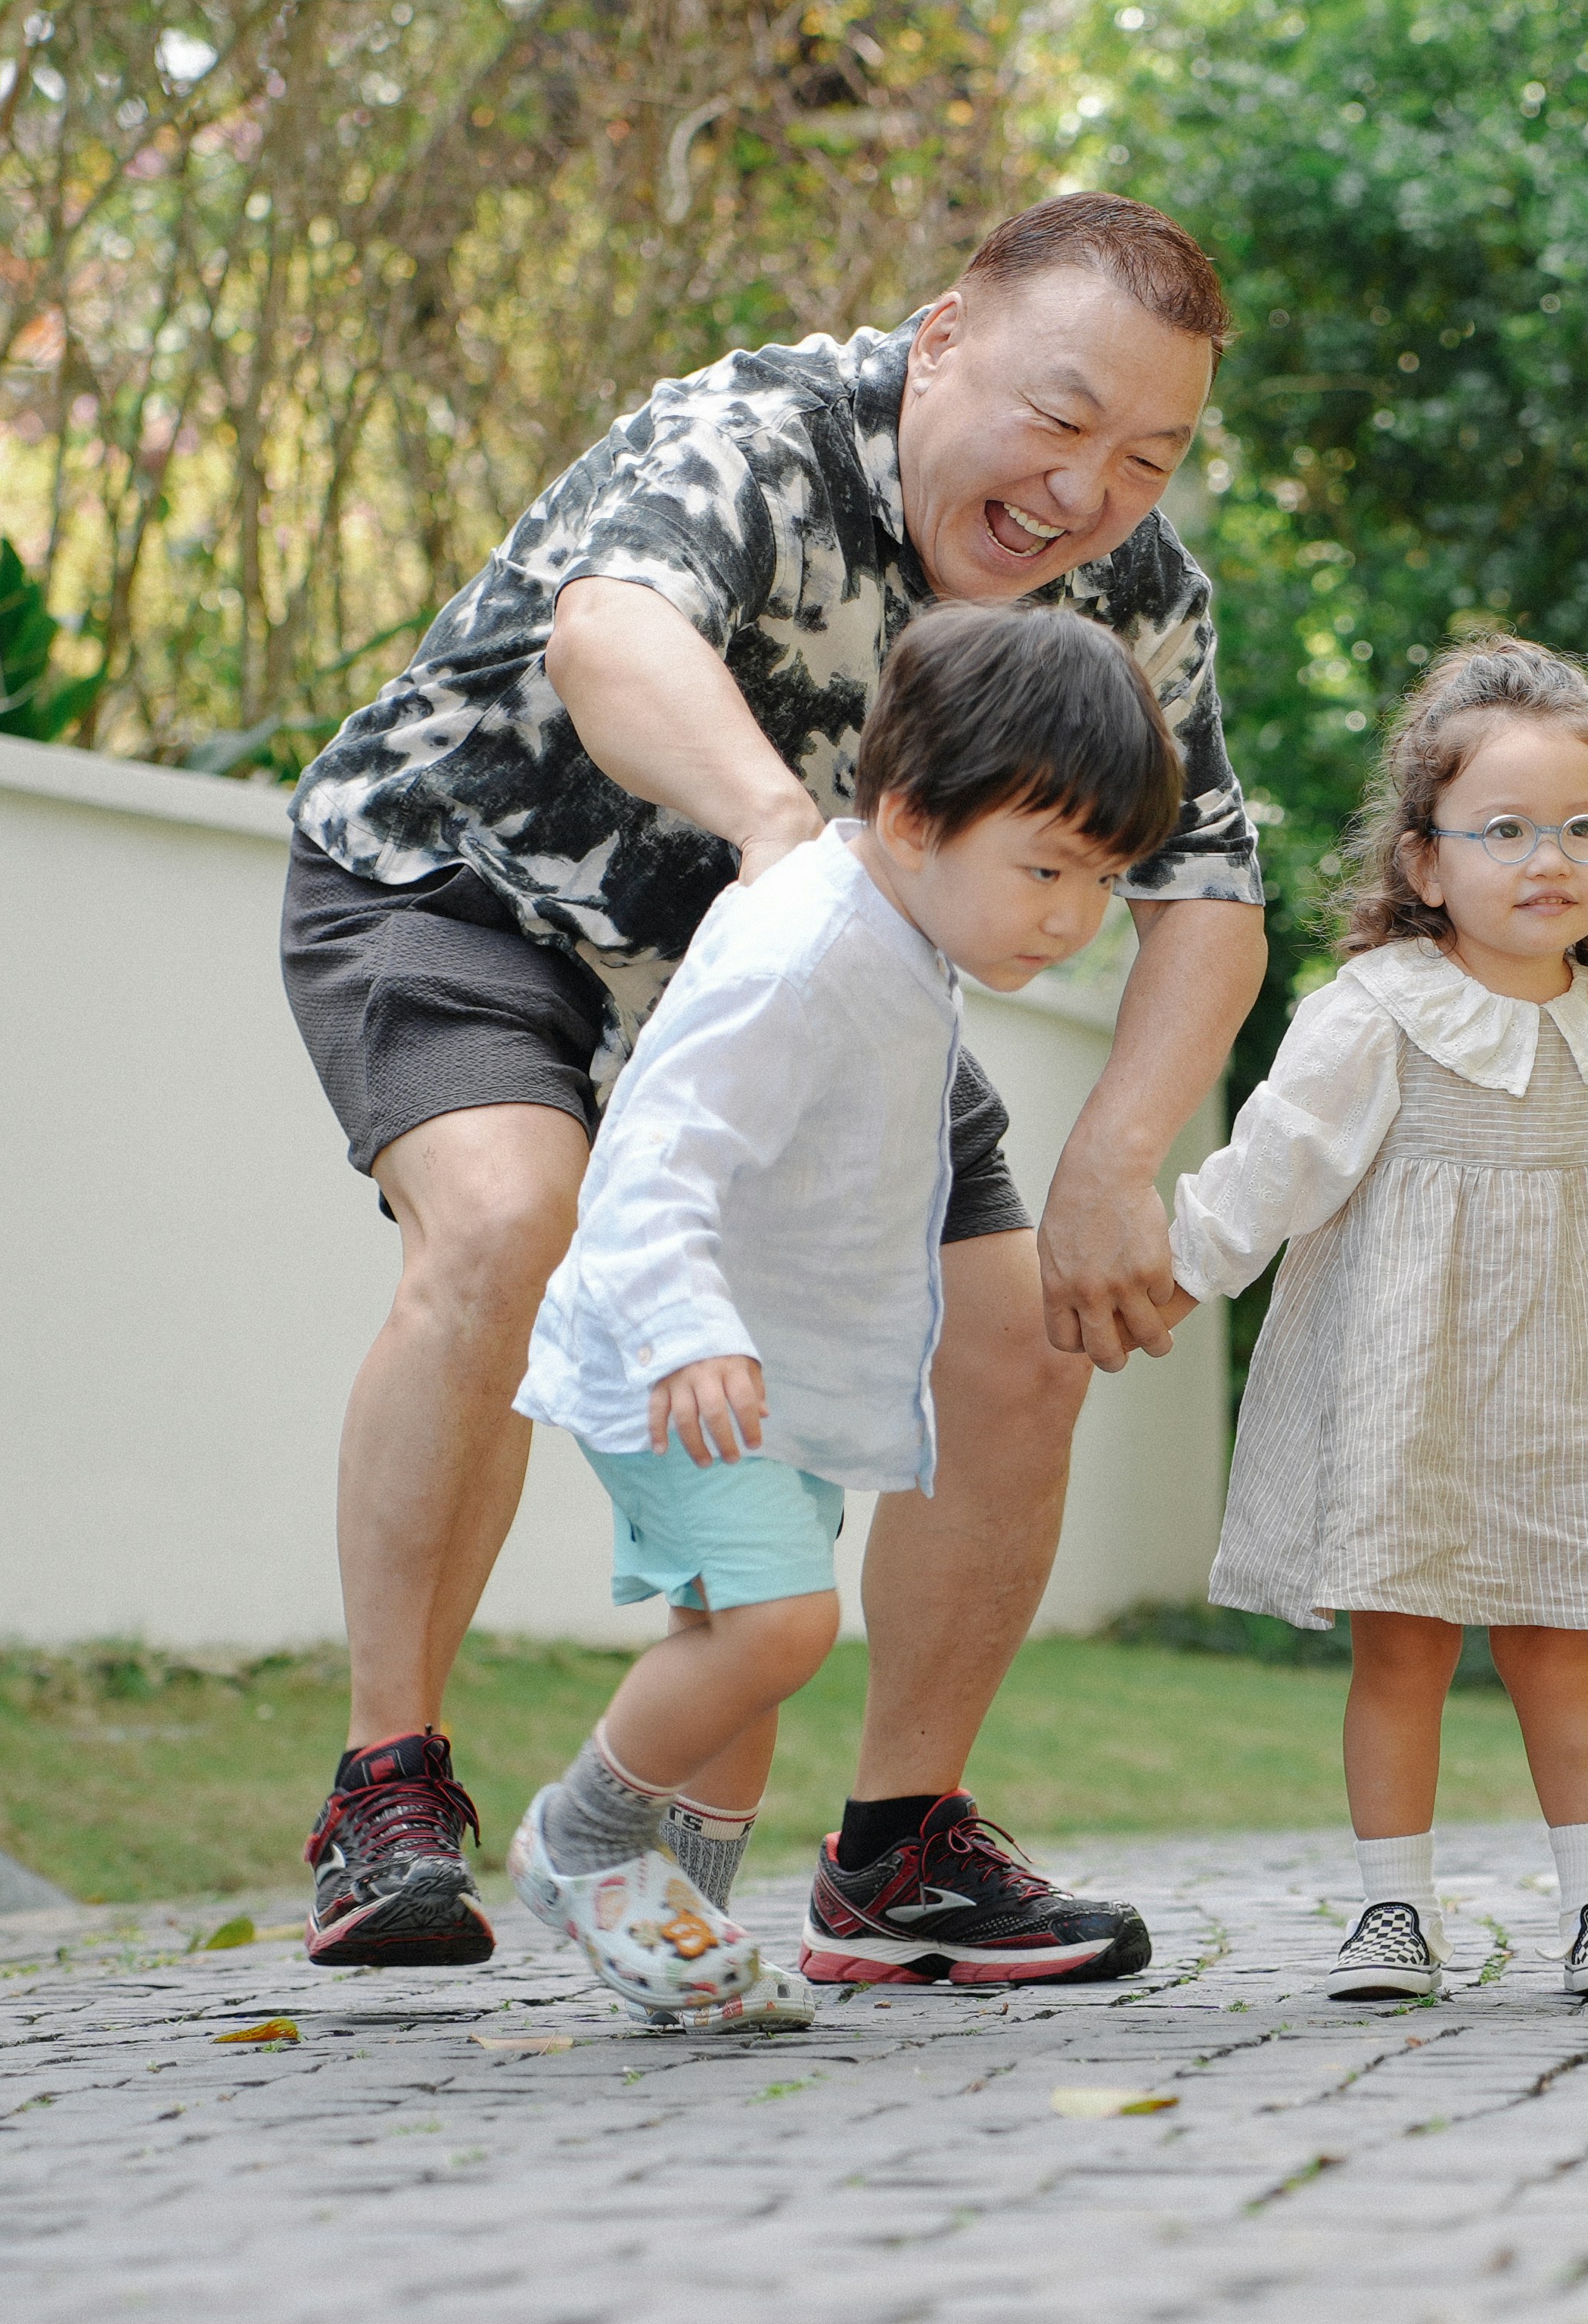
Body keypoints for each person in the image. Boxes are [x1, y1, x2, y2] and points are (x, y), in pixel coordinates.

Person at [279, 191, 1264, 1975]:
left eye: (1148, 454)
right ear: (942, 339)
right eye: (1058, 417)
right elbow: (613, 639)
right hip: (488, 900)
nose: (1087, 491)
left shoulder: (1136, 591)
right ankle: (387, 1786)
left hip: (832, 991)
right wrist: (773, 833)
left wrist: (1121, 1158)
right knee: (509, 1222)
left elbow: (1211, 892)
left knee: (1023, 1342)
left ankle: (898, 1860)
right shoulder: (754, 436)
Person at [504, 604, 1185, 2027]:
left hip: (765, 1376)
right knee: (777, 1631)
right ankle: (583, 1844)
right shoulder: (804, 954)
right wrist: (691, 1330)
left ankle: (679, 1929)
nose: (1069, 917)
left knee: (734, 1666)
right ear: (914, 813)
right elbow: (650, 1155)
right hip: (677, 1355)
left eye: (1103, 882)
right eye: (1045, 866)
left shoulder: (897, 937)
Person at [1160, 639, 1588, 2004]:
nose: (1547, 858)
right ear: (1425, 862)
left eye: (1581, 829)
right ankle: (1393, 1913)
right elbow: (1279, 1163)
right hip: (1408, 1378)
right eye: (1504, 831)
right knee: (1403, 1649)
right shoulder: (1379, 1009)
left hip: (1576, 1380)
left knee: (1563, 1645)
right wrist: (1166, 1271)